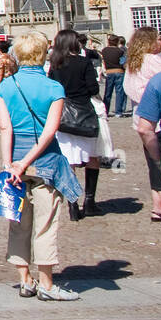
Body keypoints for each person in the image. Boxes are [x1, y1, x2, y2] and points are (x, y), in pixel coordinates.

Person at [0, 32, 83, 301]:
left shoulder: (5, 88)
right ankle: (46, 283)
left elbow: (4, 128)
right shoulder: (54, 88)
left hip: (16, 166)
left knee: (18, 223)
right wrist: (27, 161)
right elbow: (49, 132)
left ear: (18, 56)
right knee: (45, 225)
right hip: (46, 164)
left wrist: (11, 164)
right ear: (43, 55)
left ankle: (25, 281)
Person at [47, 29, 103, 221]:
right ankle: (90, 202)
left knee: (69, 162)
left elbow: (51, 89)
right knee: (92, 157)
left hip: (63, 116)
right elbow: (93, 88)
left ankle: (72, 205)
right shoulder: (83, 62)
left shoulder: (55, 65)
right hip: (84, 113)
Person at [122, 27, 161, 227]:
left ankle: (157, 206)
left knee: (153, 164)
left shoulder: (134, 62)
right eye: (159, 39)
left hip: (139, 117)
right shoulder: (152, 61)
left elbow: (128, 88)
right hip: (156, 120)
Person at [102, 35, 127, 118]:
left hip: (109, 72)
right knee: (119, 92)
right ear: (117, 42)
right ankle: (118, 112)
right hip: (119, 71)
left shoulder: (104, 50)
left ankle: (105, 110)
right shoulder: (120, 51)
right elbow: (123, 62)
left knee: (108, 92)